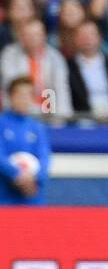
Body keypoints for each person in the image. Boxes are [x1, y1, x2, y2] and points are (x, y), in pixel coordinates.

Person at [0, 77, 50, 205]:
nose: (24, 99)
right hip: (5, 196)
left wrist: (35, 177)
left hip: (32, 196)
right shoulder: (2, 123)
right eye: (19, 95)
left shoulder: (37, 127)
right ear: (10, 97)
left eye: (28, 95)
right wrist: (16, 174)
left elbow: (44, 157)